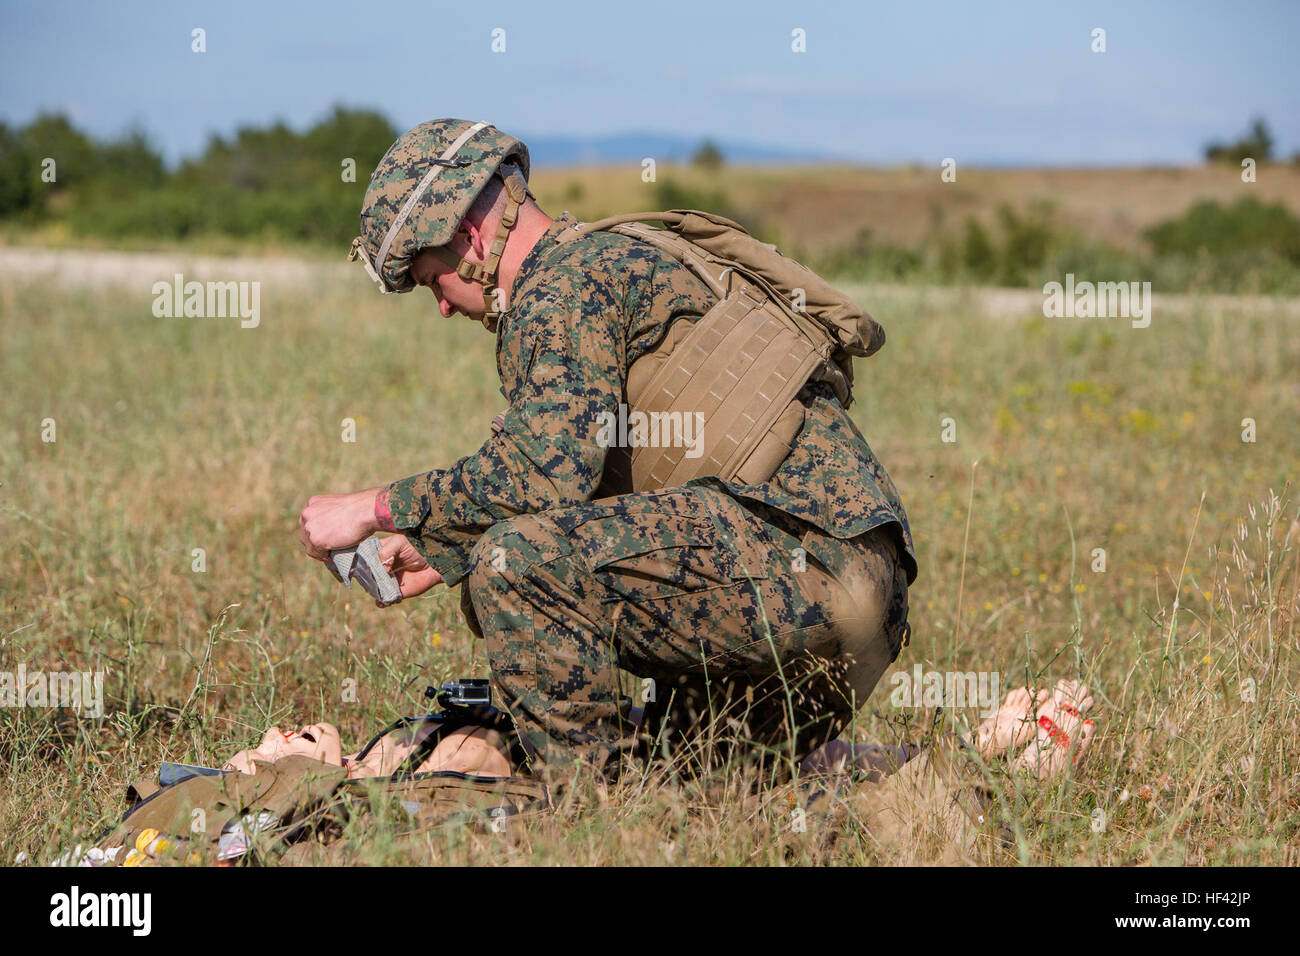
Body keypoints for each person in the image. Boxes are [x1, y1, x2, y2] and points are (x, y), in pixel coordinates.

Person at [298, 118, 918, 786]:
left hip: (802, 576)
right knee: (697, 793)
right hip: (859, 603)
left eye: (430, 282)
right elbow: (622, 473)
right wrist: (440, 537)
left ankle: (592, 831)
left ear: (470, 238)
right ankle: (901, 790)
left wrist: (377, 507)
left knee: (512, 563)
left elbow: (541, 476)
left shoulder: (560, 289)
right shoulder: (625, 252)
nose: (444, 308)